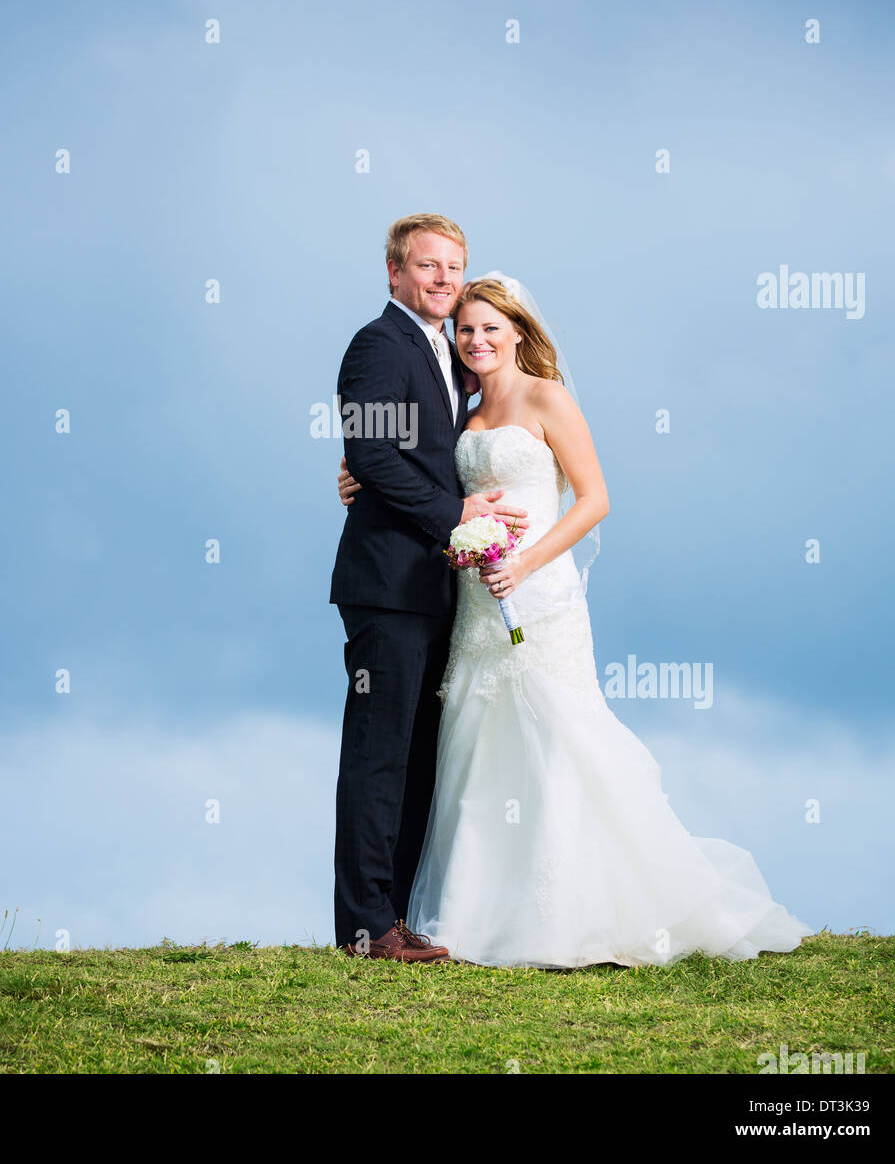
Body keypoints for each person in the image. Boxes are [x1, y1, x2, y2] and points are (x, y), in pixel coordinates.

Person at [337, 275, 814, 968]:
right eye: (466, 330)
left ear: (519, 333)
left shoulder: (546, 397)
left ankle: (587, 912)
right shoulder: (460, 407)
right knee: (477, 742)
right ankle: (482, 918)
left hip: (536, 590)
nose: (475, 341)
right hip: (473, 600)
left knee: (561, 736)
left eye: (491, 329)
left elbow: (594, 500)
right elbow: (405, 463)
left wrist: (525, 566)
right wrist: (355, 474)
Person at [329, 216, 529, 962]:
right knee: (378, 754)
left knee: (416, 759)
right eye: (428, 266)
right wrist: (456, 514)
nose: (444, 279)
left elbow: (420, 455)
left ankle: (392, 919)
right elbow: (371, 451)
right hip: (387, 584)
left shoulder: (453, 355)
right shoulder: (379, 344)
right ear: (394, 273)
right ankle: (364, 928)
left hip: (438, 588)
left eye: (455, 267)